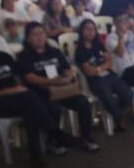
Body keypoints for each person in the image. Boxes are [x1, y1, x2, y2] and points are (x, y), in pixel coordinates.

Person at [0, 22, 69, 168]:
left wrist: (18, 90)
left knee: (30, 111)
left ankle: (37, 156)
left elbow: (19, 82)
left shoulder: (5, 57)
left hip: (18, 100)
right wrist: (8, 91)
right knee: (29, 99)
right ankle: (55, 133)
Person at [15, 22, 98, 153]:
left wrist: (68, 76)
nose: (39, 37)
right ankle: (54, 141)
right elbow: (30, 78)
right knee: (53, 108)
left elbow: (65, 69)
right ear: (28, 38)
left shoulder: (54, 51)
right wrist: (52, 82)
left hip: (61, 90)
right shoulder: (23, 56)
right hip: (40, 92)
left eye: (41, 33)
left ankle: (86, 138)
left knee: (83, 102)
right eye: (35, 35)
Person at [74, 18, 131, 132]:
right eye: (87, 29)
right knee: (108, 98)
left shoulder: (99, 45)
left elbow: (110, 62)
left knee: (128, 94)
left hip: (110, 76)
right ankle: (118, 119)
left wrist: (98, 68)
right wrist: (102, 67)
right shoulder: (80, 50)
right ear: (82, 31)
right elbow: (89, 71)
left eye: (93, 29)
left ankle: (116, 114)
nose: (90, 32)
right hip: (95, 81)